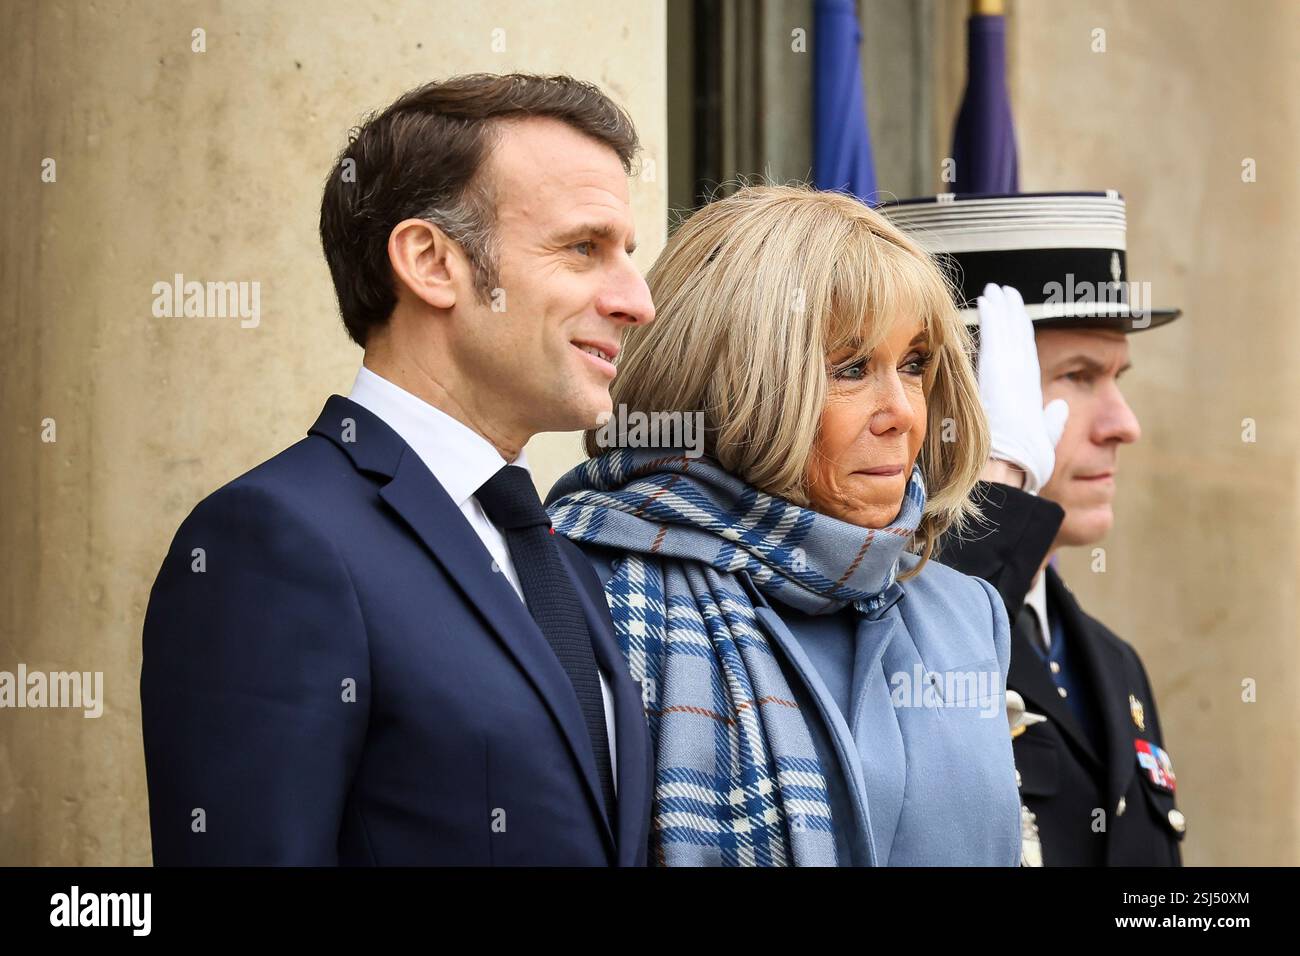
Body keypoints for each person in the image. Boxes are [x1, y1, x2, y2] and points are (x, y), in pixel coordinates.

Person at [140, 73, 657, 865]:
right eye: (584, 248)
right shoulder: (271, 543)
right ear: (431, 261)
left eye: (627, 253)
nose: (636, 300)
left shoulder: (557, 556)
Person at [546, 184, 1022, 866]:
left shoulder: (968, 615)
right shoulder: (574, 592)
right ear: (731, 381)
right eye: (852, 368)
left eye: (914, 364)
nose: (904, 413)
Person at [881, 190, 1186, 865]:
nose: (1123, 425)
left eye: (1117, 377)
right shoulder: (878, 627)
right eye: (1079, 376)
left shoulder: (1111, 661)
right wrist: (994, 481)